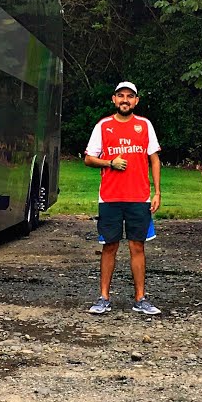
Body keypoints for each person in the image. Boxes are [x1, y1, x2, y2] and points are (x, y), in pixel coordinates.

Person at [83, 81, 162, 315]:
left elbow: (154, 159)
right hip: (110, 197)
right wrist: (110, 162)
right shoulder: (103, 126)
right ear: (114, 99)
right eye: (121, 96)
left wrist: (157, 192)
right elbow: (88, 158)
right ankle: (103, 298)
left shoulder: (145, 125)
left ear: (136, 101)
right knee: (110, 246)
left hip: (139, 197)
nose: (125, 100)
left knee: (137, 246)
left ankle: (141, 299)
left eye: (130, 96)